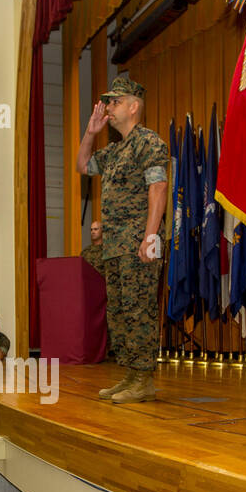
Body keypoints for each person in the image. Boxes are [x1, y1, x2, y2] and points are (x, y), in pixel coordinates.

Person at [77, 75, 169, 404]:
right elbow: (83, 165)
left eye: (114, 102)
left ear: (133, 106)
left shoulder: (149, 142)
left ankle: (144, 378)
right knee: (118, 311)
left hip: (137, 242)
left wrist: (150, 236)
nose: (109, 108)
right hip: (114, 246)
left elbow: (158, 187)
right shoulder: (114, 150)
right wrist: (91, 131)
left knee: (138, 310)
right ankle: (130, 375)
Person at [81, 220, 118, 361]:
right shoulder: (85, 252)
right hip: (89, 295)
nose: (93, 232)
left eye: (96, 229)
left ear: (102, 231)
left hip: (106, 293)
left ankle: (110, 351)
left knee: (108, 322)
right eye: (91, 229)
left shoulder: (108, 251)